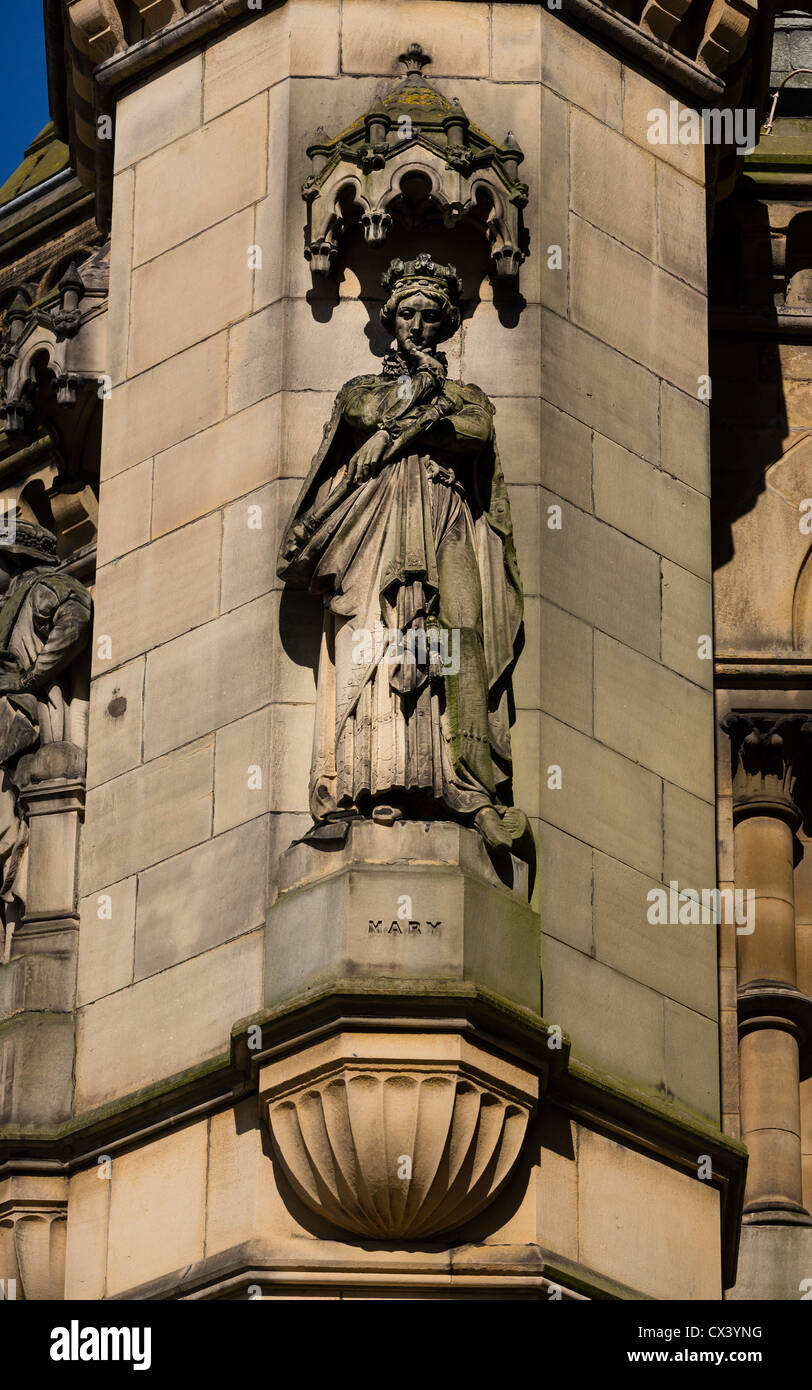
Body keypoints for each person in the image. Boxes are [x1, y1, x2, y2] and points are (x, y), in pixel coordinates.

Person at [278, 253, 529, 856]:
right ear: (393, 320)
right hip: (376, 531)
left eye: (430, 316)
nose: (418, 326)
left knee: (458, 638)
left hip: (444, 522)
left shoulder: (465, 397)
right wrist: (418, 408)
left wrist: (421, 421)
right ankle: (365, 784)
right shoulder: (363, 390)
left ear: (445, 325)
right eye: (408, 314)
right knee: (377, 641)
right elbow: (368, 415)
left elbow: (475, 434)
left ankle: (466, 788)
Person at [0, 520, 92, 956]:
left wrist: (35, 675)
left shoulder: (40, 587)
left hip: (23, 725)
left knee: (7, 829)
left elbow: (76, 613)